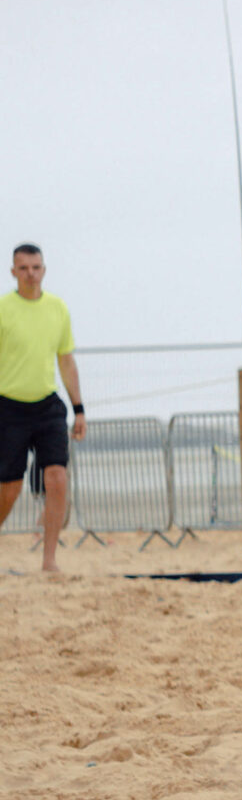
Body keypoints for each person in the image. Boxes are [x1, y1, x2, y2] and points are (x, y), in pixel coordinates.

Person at [0, 244, 85, 572]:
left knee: (58, 478)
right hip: (9, 406)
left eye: (36, 267)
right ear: (13, 272)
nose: (30, 274)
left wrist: (79, 408)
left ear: (44, 270)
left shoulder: (58, 308)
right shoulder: (4, 308)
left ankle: (49, 561)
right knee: (10, 488)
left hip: (48, 405)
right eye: (23, 268)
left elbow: (66, 360)